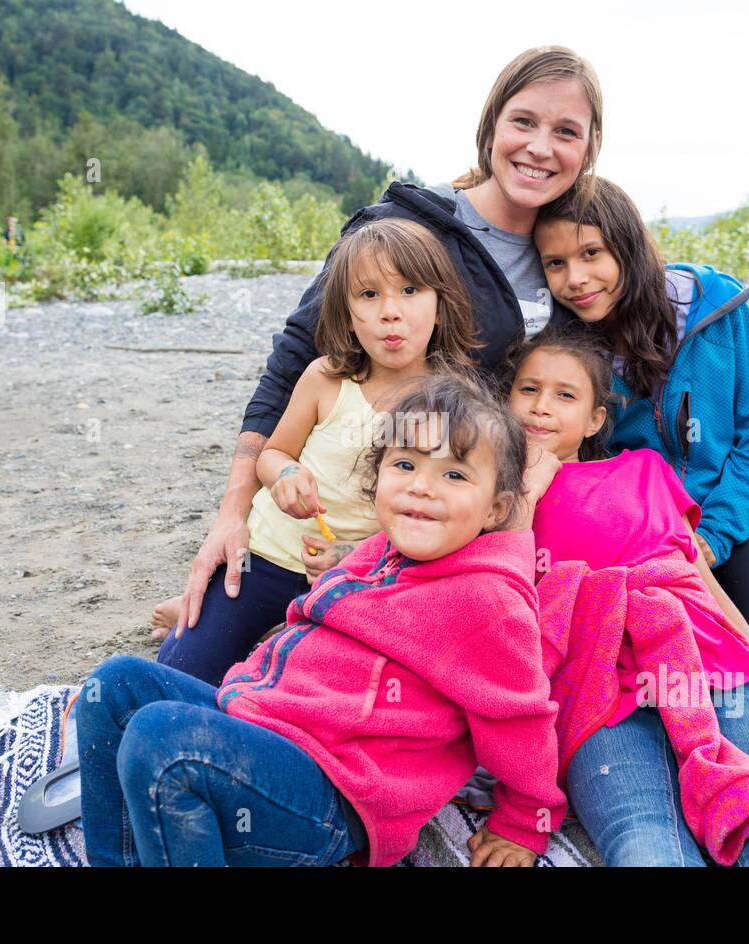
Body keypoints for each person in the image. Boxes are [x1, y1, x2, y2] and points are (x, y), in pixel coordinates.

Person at [168, 47, 605, 675]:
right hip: (340, 521)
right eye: (523, 122)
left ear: (588, 150)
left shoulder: (570, 252)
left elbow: (606, 349)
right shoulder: (405, 231)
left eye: (566, 132)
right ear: (489, 129)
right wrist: (230, 517)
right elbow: (292, 361)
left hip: (443, 511)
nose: (540, 147)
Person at [78, 374, 567, 866]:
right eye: (405, 464)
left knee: (163, 739)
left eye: (454, 475)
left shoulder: (488, 601)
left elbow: (519, 724)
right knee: (117, 683)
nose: (421, 487)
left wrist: (527, 823)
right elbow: (308, 628)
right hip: (275, 731)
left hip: (333, 796)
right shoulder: (383, 550)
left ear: (497, 509)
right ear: (378, 482)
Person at [503, 324, 749, 865]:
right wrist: (526, 489)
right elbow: (497, 597)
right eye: (528, 389)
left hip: (709, 667)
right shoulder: (494, 502)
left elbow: (702, 585)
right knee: (647, 846)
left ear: (596, 419)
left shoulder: (642, 471)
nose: (542, 407)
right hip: (596, 692)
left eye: (565, 395)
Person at [149, 218, 481, 684]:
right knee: (181, 671)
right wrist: (284, 475)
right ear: (345, 314)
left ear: (442, 304)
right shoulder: (326, 378)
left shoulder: (451, 405)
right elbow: (273, 452)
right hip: (263, 556)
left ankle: (256, 634)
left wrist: (360, 553)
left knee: (306, 685)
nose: (390, 312)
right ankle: (204, 619)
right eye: (368, 295)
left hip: (363, 579)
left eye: (410, 291)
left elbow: (446, 513)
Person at [537, 177, 749, 678]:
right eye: (556, 264)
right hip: (644, 527)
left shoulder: (714, 310)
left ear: (627, 247)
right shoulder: (571, 347)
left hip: (725, 510)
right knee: (648, 650)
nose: (576, 279)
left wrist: (714, 535)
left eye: (592, 253)